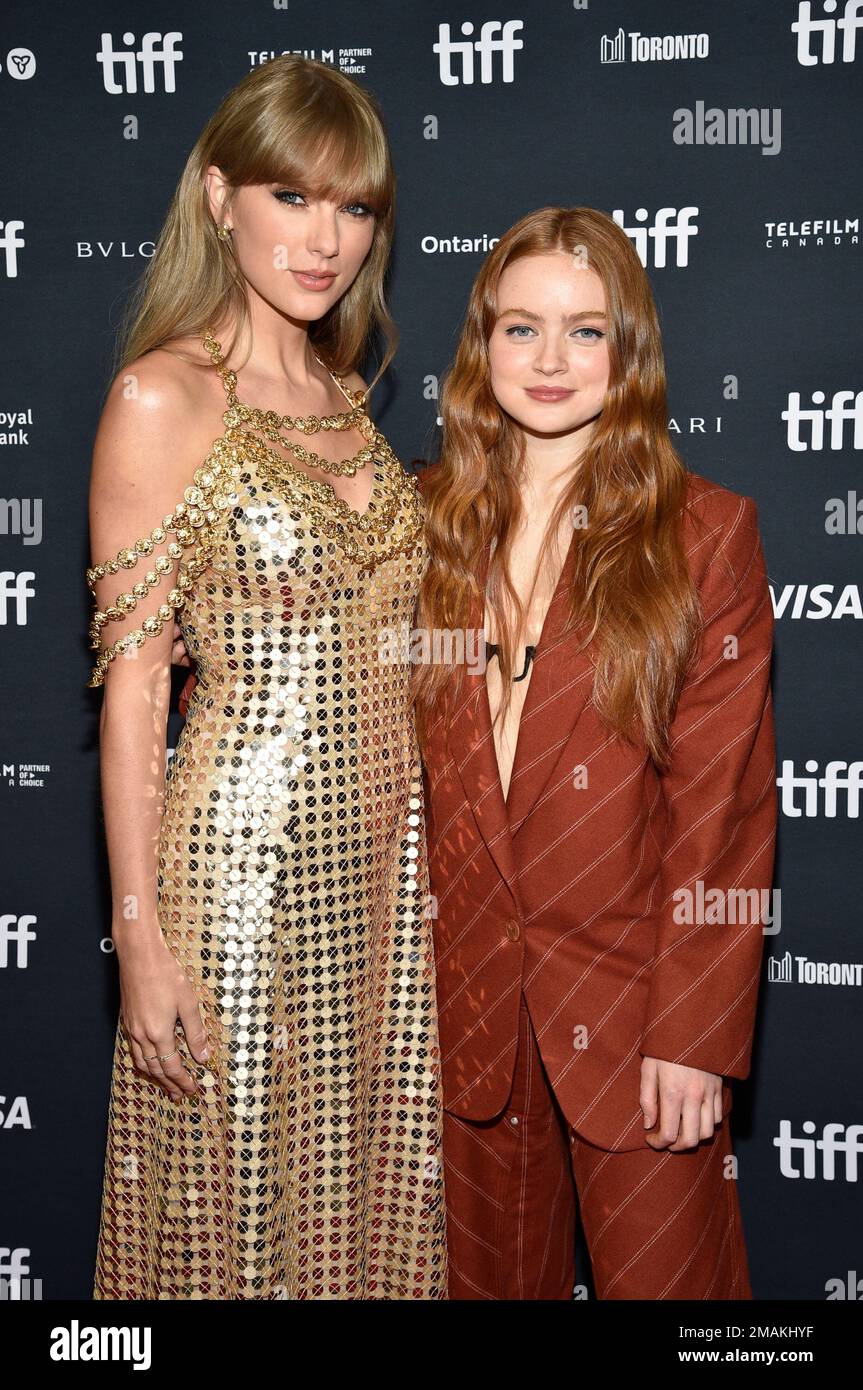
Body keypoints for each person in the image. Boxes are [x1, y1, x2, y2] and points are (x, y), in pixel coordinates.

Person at [86, 54, 447, 1301]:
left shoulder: (352, 401)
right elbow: (134, 689)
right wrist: (141, 940)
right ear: (218, 197)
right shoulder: (161, 396)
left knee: (357, 1221)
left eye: (354, 208)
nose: (325, 238)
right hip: (236, 879)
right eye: (294, 198)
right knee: (236, 1225)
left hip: (383, 883)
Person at [410, 206, 777, 1299]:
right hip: (459, 1012)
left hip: (636, 1019)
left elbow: (723, 806)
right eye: (519, 329)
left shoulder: (702, 532)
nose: (550, 359)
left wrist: (697, 1034)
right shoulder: (418, 521)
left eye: (584, 330)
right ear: (482, 349)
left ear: (630, 349)